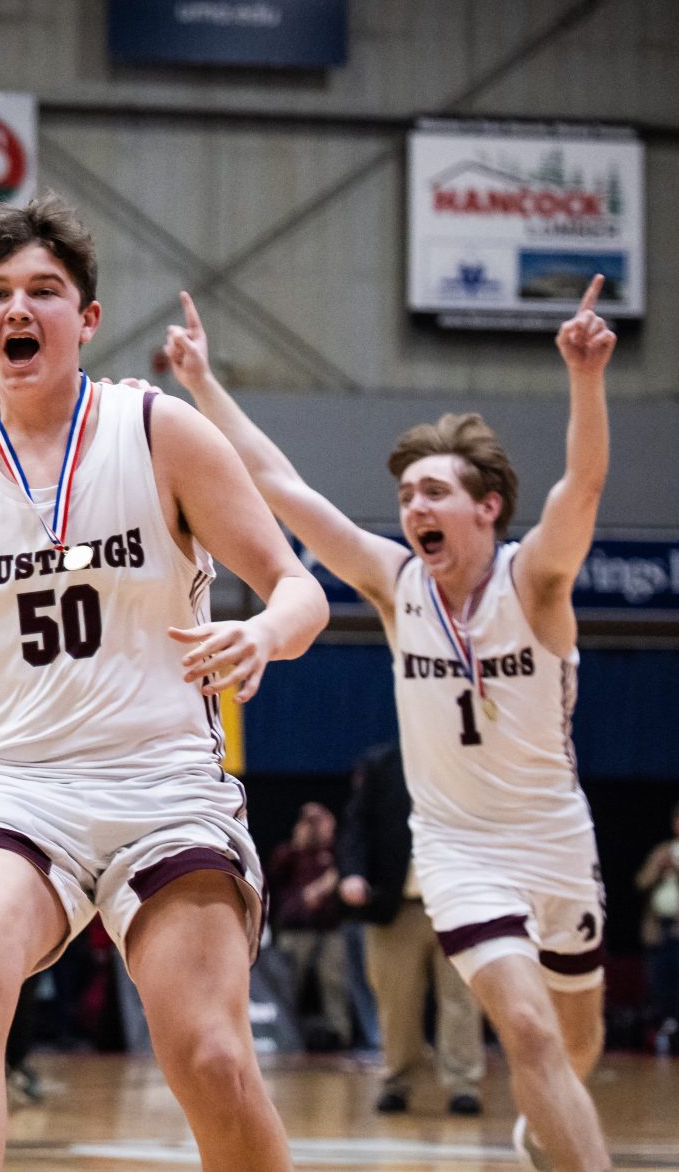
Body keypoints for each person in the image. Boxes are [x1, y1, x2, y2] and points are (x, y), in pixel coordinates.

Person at [0, 195, 329, 1172]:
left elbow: (297, 585)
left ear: (85, 319)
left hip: (160, 784)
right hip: (3, 785)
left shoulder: (158, 430)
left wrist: (263, 632)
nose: (19, 308)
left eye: (43, 290)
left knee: (213, 1054)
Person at [166, 277, 617, 1172]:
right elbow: (280, 485)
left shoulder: (537, 582)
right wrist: (204, 387)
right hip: (457, 849)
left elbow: (586, 483)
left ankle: (550, 1126)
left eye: (436, 492)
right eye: (407, 493)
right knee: (524, 1031)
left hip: (555, 838)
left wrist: (586, 377)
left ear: (487, 506)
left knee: (575, 1045)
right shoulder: (394, 582)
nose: (415, 508)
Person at [335, 741, 484, 1113]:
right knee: (395, 1001)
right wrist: (353, 874)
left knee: (461, 998)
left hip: (456, 902)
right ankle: (397, 1081)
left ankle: (463, 1084)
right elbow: (356, 825)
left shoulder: (468, 760)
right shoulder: (382, 763)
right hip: (395, 905)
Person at [265, 803, 354, 1052]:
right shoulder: (290, 853)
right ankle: (282, 1034)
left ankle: (341, 1035)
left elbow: (348, 871)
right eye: (310, 822)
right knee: (289, 984)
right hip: (295, 930)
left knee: (334, 983)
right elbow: (273, 875)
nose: (316, 827)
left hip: (329, 929)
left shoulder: (337, 855)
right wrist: (298, 842)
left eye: (321, 821)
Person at [639, 802, 679, 1055]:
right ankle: (665, 1028)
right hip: (658, 929)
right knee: (660, 982)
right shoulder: (662, 850)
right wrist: (657, 869)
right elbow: (640, 883)